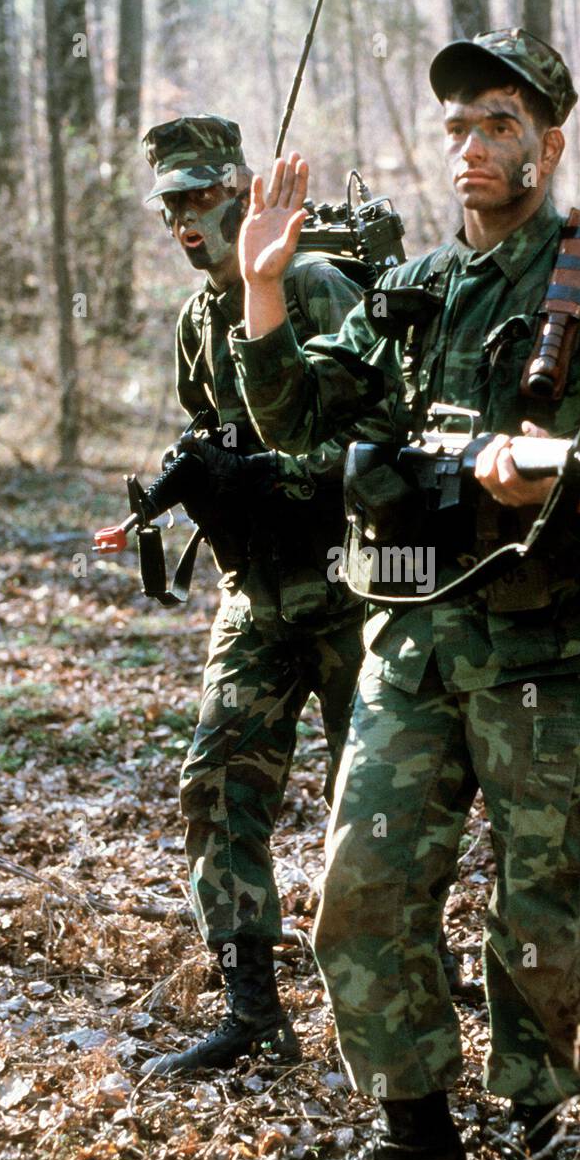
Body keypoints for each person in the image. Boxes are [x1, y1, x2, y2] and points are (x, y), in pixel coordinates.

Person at [229, 30, 580, 1160]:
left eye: (497, 124)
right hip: (413, 641)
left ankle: (545, 1126)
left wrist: (563, 482)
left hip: (552, 653)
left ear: (547, 141)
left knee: (536, 909)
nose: (470, 148)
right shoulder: (415, 293)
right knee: (362, 889)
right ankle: (414, 1135)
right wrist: (262, 290)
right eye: (455, 128)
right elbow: (298, 424)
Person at [138, 114, 371, 1076]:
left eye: (201, 197)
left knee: (379, 804)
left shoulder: (316, 286)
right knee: (217, 788)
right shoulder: (197, 319)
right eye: (172, 207)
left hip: (355, 589)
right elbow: (210, 432)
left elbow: (376, 438)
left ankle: (398, 987)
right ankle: (252, 1013)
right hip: (255, 597)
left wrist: (285, 478)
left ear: (240, 186)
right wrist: (183, 483)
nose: (189, 222)